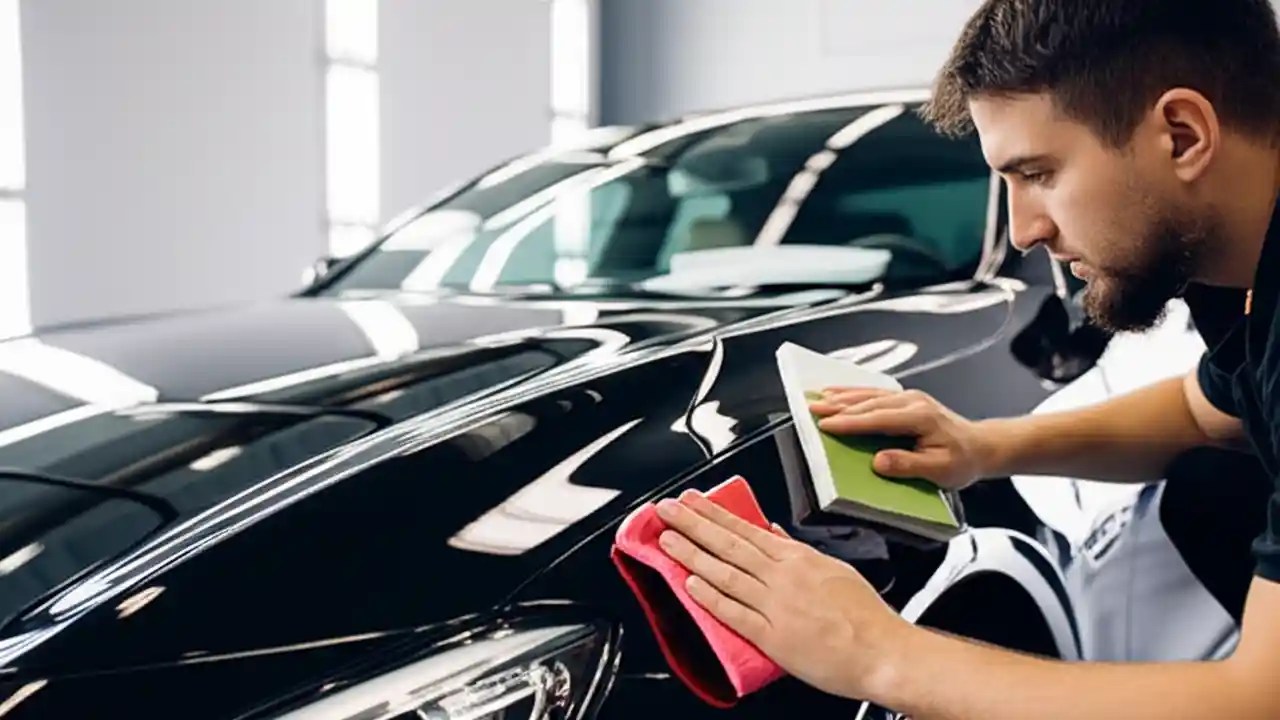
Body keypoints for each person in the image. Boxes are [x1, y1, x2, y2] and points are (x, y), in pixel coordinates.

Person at [649, 0, 1280, 717]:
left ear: (1181, 134)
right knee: (1210, 484)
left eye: (1039, 172)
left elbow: (1260, 698)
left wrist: (875, 653)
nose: (1024, 229)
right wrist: (981, 445)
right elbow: (1206, 414)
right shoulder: (1238, 284)